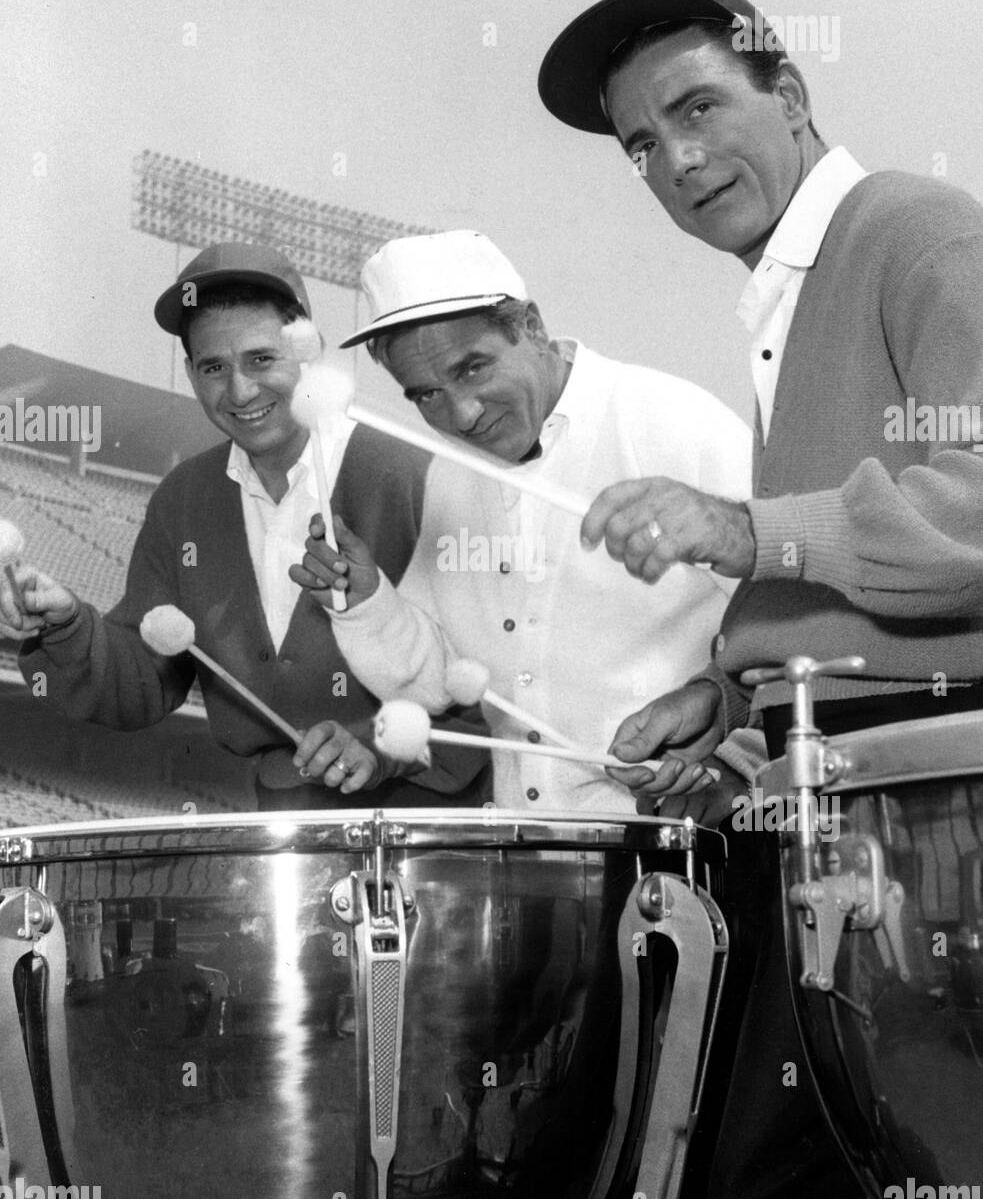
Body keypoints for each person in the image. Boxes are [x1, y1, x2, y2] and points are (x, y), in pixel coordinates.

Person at [537, 0, 983, 1199]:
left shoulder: (911, 228)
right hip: (821, 797)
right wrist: (726, 701)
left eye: (696, 109)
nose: (674, 164)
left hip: (925, 820)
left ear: (786, 90)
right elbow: (852, 587)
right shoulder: (786, 294)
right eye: (640, 145)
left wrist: (741, 528)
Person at [291, 228, 760, 821]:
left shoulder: (673, 422)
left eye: (473, 369)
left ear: (532, 327)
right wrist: (367, 603)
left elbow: (798, 625)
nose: (461, 414)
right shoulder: (453, 475)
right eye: (426, 395)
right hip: (535, 855)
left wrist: (725, 715)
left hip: (709, 843)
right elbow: (443, 680)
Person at [0, 243, 487, 811]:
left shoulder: (411, 476)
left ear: (309, 351)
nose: (240, 391)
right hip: (279, 826)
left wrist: (379, 748)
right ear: (189, 373)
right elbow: (143, 681)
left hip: (437, 828)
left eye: (261, 359)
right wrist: (66, 625)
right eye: (213, 367)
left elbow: (484, 689)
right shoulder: (183, 499)